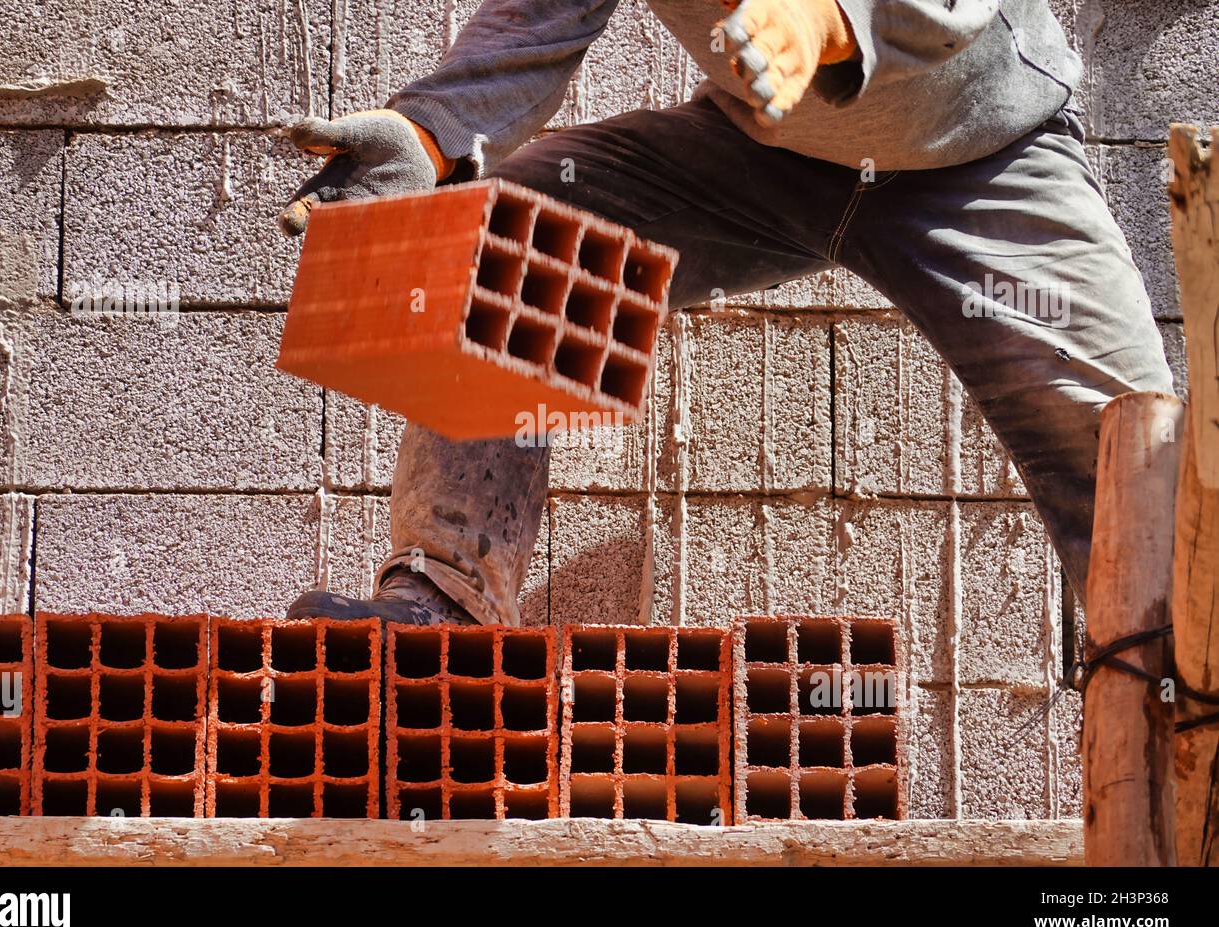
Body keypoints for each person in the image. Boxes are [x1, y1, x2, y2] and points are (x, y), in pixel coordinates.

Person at [278, 0, 1174, 627]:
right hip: (761, 154)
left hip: (982, 156)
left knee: (1130, 451)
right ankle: (445, 602)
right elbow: (536, 21)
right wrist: (430, 133)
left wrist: (821, 19)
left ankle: (1180, 705)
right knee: (519, 227)